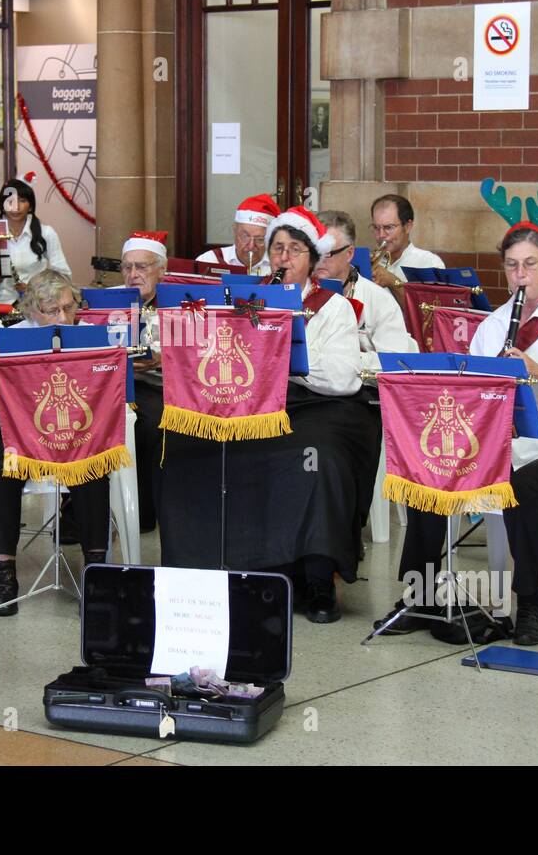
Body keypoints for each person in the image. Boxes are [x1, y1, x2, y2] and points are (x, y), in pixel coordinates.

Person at [376, 223, 538, 646]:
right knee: (433, 473)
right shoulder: (494, 324)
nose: (521, 275)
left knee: (524, 485)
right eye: (512, 265)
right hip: (501, 445)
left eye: (530, 265)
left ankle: (529, 604)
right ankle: (420, 596)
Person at [158, 207, 380, 624]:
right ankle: (207, 569)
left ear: (312, 260)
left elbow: (345, 378)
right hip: (250, 401)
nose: (283, 258)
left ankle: (316, 576)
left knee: (319, 457)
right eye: (277, 248)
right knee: (187, 451)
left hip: (313, 403)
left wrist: (286, 361)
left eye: (294, 250)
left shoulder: (334, 307)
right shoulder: (241, 300)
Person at [0, 270, 111, 615]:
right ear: (32, 311)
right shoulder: (9, 340)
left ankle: (97, 572)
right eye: (51, 310)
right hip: (23, 438)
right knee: (0, 469)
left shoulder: (92, 337)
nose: (62, 318)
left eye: (67, 308)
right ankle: (5, 574)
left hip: (75, 434)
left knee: (92, 464)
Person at [314, 210, 417, 367]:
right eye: (315, 252)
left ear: (349, 253)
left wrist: (343, 361)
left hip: (365, 388)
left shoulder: (380, 301)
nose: (319, 260)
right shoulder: (299, 291)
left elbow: (395, 361)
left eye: (327, 253)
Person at [118, 231, 168, 532]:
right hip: (114, 384)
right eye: (127, 267)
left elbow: (194, 354)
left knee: (145, 424)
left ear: (161, 270)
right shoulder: (107, 302)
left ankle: (142, 511)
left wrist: (159, 359)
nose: (133, 275)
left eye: (142, 267)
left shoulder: (181, 305)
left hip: (157, 386)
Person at [0, 174, 71, 305]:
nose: (15, 207)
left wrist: (35, 288)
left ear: (30, 206)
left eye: (22, 200)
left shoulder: (46, 233)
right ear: (2, 204)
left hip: (36, 305)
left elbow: (63, 275)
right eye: (10, 201)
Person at [369, 193, 445, 289]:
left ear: (407, 227)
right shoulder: (368, 263)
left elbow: (430, 303)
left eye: (388, 227)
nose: (381, 235)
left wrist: (392, 281)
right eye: (376, 228)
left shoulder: (429, 263)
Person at [195, 193, 276, 275]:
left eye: (260, 239)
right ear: (235, 231)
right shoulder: (209, 261)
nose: (251, 246)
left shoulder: (277, 265)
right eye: (245, 236)